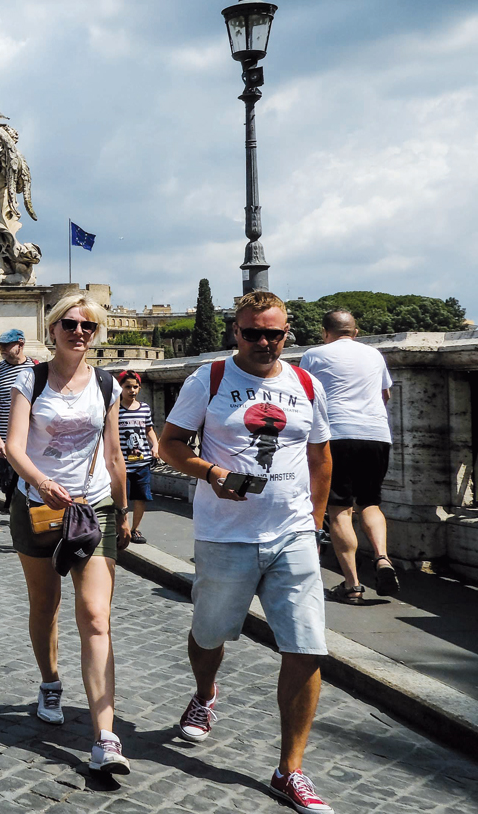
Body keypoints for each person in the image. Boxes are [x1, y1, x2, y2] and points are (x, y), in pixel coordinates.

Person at [159, 291, 335, 814]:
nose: (263, 342)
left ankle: (290, 770)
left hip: (293, 535)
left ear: (287, 335)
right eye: (252, 332)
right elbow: (170, 445)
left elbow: (320, 457)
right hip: (225, 536)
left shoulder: (306, 383)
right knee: (209, 633)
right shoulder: (208, 379)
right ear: (235, 333)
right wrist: (212, 473)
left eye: (273, 334)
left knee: (306, 647)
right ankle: (205, 692)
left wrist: (316, 524)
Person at [5, 293, 132, 776]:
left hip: (91, 506)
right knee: (46, 605)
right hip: (37, 507)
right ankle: (50, 683)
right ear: (53, 328)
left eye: (89, 327)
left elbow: (115, 454)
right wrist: (41, 482)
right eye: (71, 324)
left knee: (97, 616)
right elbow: (15, 447)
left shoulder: (107, 384)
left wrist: (123, 511)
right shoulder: (28, 379)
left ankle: (104, 736)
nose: (80, 332)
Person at [299, 309, 399, 603]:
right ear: (355, 332)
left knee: (340, 509)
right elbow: (386, 396)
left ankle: (353, 585)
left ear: (324, 333)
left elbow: (307, 399)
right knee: (371, 502)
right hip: (376, 435)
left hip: (336, 436)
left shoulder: (314, 355)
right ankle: (382, 557)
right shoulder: (374, 355)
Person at [0, 328, 39, 505]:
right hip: (9, 438)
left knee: (34, 480)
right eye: (1, 346)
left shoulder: (37, 369)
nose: (3, 350)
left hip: (34, 437)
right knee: (8, 482)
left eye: (7, 346)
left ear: (20, 344)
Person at [117, 371, 157, 545]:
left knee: (141, 496)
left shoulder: (145, 408)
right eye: (127, 387)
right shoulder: (114, 409)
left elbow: (149, 429)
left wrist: (155, 445)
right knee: (122, 497)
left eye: (135, 387)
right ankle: (122, 527)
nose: (132, 390)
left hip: (142, 461)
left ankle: (135, 529)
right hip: (121, 463)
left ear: (139, 388)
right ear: (120, 388)